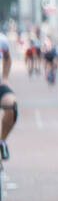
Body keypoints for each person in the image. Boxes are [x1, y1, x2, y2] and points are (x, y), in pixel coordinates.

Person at [0, 30, 14, 161]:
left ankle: (2, 141)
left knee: (12, 106)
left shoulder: (2, 40)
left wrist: (4, 77)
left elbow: (8, 58)